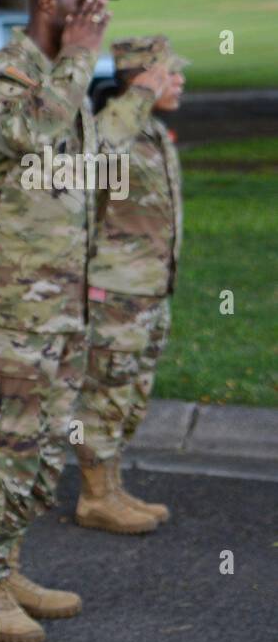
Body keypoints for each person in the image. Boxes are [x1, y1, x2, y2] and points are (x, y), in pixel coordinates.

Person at [0, 0, 117, 642]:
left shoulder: (60, 83)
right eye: (87, 6)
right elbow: (30, 130)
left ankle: (6, 564)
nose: (99, 20)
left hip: (59, 303)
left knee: (43, 444)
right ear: (50, 3)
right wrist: (79, 58)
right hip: (14, 306)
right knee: (3, 444)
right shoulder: (9, 76)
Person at [72, 36, 185, 532]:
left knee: (133, 392)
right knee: (106, 392)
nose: (179, 81)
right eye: (169, 74)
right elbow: (90, 167)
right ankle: (94, 496)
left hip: (151, 287)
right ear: (142, 78)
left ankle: (111, 486)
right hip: (115, 290)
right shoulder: (112, 133)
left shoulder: (155, 132)